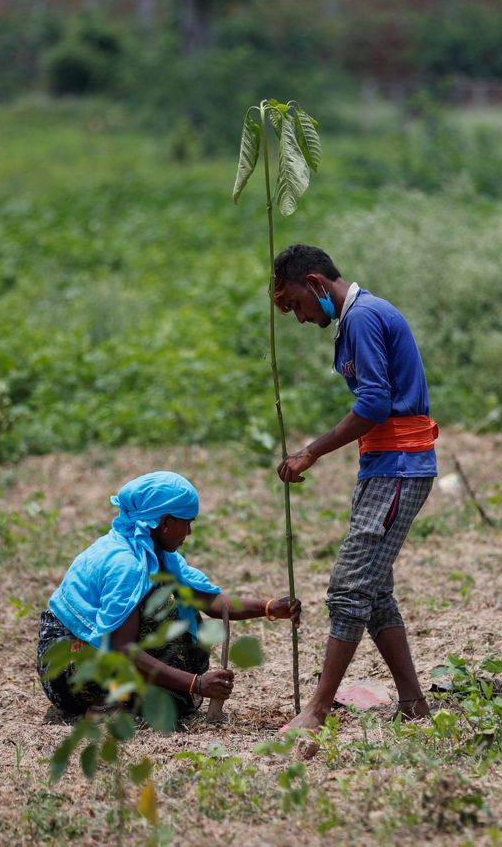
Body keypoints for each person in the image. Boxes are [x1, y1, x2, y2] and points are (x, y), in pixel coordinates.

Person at [271, 243, 439, 733]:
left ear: (317, 285)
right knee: (374, 591)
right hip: (383, 467)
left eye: (297, 306)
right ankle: (413, 704)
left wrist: (311, 451)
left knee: (348, 589)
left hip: (399, 468)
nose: (300, 319)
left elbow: (373, 405)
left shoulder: (363, 317)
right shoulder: (353, 322)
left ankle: (316, 712)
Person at [37, 471, 300, 721]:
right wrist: (196, 684)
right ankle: (106, 702)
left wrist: (269, 608)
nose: (189, 533)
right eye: (187, 523)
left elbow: (210, 602)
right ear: (164, 523)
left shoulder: (152, 552)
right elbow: (122, 649)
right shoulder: (127, 565)